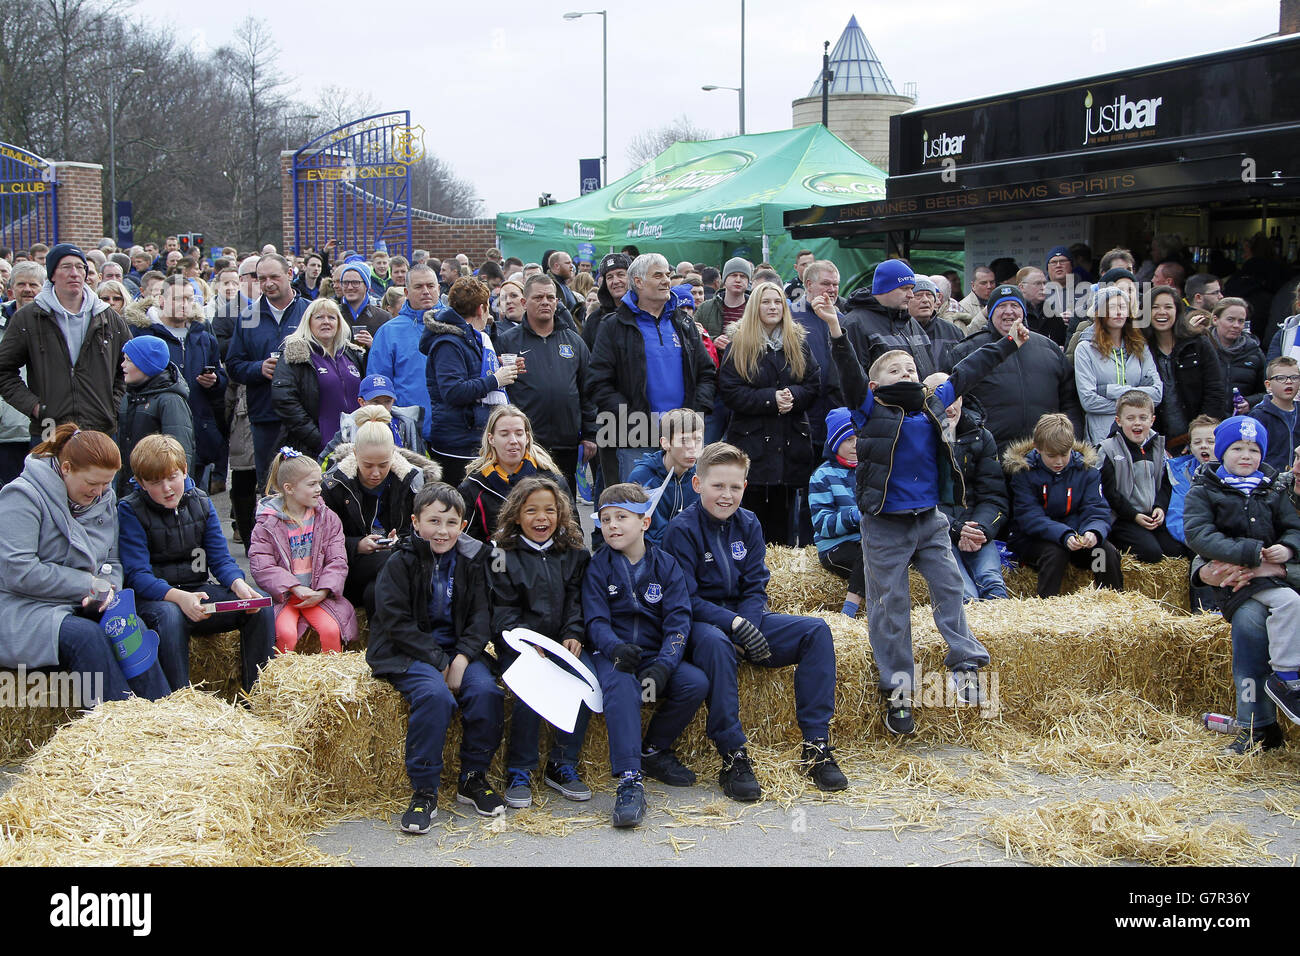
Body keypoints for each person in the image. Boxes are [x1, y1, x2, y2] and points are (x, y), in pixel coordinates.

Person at [818, 286, 1029, 734]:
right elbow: (849, 372)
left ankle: (966, 663)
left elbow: (970, 369)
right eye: (896, 368)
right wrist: (835, 326)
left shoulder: (932, 405)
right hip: (885, 525)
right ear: (877, 384)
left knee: (951, 588)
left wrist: (1008, 343)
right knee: (889, 605)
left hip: (930, 520)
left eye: (911, 365)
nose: (907, 370)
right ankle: (899, 690)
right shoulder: (869, 408)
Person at [661, 442, 845, 797]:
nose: (726, 495)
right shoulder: (680, 531)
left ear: (745, 487)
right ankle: (733, 754)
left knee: (816, 631)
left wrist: (748, 625)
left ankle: (816, 746)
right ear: (698, 485)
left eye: (734, 487)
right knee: (716, 645)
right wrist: (733, 626)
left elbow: (756, 586)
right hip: (701, 626)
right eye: (717, 486)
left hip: (746, 620)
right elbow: (684, 600)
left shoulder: (748, 523)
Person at [368, 483, 507, 830]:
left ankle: (473, 777)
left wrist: (461, 658)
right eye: (433, 521)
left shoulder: (473, 561)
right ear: (415, 522)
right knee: (435, 696)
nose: (442, 531)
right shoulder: (400, 562)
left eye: (451, 522)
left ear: (463, 524)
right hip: (409, 651)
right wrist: (440, 661)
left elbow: (481, 617)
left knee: (487, 692)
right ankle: (424, 790)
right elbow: (395, 621)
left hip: (458, 650)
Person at [0, 425, 169, 703]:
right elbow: (18, 571)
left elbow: (112, 559)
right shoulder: (21, 496)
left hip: (83, 600)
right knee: (87, 636)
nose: (101, 492)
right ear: (66, 468)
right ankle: (117, 727)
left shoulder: (103, 497)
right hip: (27, 608)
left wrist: (109, 588)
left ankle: (165, 717)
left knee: (129, 626)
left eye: (107, 483)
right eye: (93, 483)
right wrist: (87, 584)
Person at [582, 483, 710, 827]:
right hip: (615, 656)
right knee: (622, 689)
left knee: (694, 682)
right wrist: (614, 648)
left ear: (645, 522)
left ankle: (653, 749)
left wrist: (665, 666)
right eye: (605, 519)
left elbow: (679, 619)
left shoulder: (666, 565)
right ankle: (629, 780)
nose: (612, 526)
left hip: (654, 655)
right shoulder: (597, 567)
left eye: (621, 517)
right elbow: (595, 620)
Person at [118, 435, 274, 692]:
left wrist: (237, 584)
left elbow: (220, 559)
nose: (168, 488)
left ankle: (256, 695)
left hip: (197, 590)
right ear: (142, 483)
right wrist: (178, 597)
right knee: (170, 616)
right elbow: (137, 575)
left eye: (173, 477)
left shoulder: (201, 501)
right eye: (156, 482)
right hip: (156, 598)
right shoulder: (130, 510)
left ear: (185, 471)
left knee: (260, 604)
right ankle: (179, 700)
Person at [1184, 416, 1300, 727]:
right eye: (1237, 448)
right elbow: (1198, 535)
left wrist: (1282, 560)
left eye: (1253, 450)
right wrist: (1208, 570)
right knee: (1249, 622)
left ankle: (1286, 678)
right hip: (1249, 583)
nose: (1246, 456)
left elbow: (1291, 531)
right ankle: (1257, 725)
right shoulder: (1274, 486)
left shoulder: (1269, 486)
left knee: (1289, 606)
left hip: (1275, 579)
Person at [489, 476, 594, 809]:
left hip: (563, 643)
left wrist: (574, 632)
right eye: (532, 510)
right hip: (521, 646)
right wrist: (523, 642)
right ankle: (520, 769)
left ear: (560, 513)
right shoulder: (502, 555)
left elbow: (578, 600)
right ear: (517, 515)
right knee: (529, 689)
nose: (541, 518)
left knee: (585, 681)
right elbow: (501, 609)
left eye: (549, 510)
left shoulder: (574, 552)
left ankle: (563, 763)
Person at [587, 253, 717, 483]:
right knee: (636, 511)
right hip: (634, 438)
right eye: (658, 275)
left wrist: (693, 414)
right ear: (638, 282)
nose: (666, 280)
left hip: (683, 436)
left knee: (682, 512)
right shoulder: (613, 326)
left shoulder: (684, 324)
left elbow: (706, 374)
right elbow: (598, 382)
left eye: (667, 274)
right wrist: (636, 419)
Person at [717, 281, 821, 545]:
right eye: (766, 302)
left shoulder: (798, 343)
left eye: (778, 301)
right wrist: (770, 399)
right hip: (752, 444)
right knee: (749, 522)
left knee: (783, 527)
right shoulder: (738, 344)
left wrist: (793, 398)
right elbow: (730, 391)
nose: (773, 307)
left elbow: (812, 383)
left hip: (789, 444)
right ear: (755, 307)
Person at [0, 244, 131, 442]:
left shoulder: (108, 317)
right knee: (48, 474)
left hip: (100, 429)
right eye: (66, 267)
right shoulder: (29, 318)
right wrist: (36, 407)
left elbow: (129, 365)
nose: (74, 273)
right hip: (49, 430)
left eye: (80, 267)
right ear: (52, 274)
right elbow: (4, 370)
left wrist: (111, 404)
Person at [321, 407, 440, 620]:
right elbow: (324, 541)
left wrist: (399, 540)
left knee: (376, 591)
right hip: (349, 568)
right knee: (390, 562)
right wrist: (357, 545)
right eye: (367, 465)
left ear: (393, 456)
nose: (375, 473)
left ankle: (384, 646)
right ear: (355, 454)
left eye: (383, 465)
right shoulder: (334, 485)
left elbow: (422, 533)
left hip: (393, 567)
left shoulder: (410, 481)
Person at [943, 284, 1083, 454]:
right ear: (991, 312)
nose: (1008, 311)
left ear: (1023, 311)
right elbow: (953, 403)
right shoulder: (967, 351)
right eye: (1001, 306)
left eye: (1014, 306)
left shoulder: (1049, 348)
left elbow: (1070, 400)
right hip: (990, 455)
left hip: (1044, 455)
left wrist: (1071, 439)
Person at [496, 274, 597, 498]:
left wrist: (590, 434)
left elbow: (588, 391)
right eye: (538, 297)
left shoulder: (573, 341)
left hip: (567, 443)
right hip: (527, 444)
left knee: (565, 505)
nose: (545, 302)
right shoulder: (507, 341)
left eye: (551, 297)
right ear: (524, 302)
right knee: (526, 503)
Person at [249, 448, 358, 654]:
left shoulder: (328, 519)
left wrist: (323, 591)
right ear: (289, 488)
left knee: (331, 630)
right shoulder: (267, 524)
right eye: (312, 484)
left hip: (319, 594)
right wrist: (295, 588)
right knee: (285, 633)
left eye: (319, 482)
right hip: (286, 597)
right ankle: (283, 681)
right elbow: (262, 566)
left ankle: (333, 681)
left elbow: (337, 560)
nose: (319, 489)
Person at [1004, 413, 1124, 597]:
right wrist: (1063, 534)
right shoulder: (1024, 472)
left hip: (1076, 537)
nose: (1059, 461)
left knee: (1103, 552)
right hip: (1034, 540)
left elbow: (1097, 509)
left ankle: (1110, 601)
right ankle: (1048, 605)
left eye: (1064, 454)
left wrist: (1093, 531)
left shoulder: (1086, 470)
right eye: (1051, 456)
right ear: (1038, 448)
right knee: (1055, 553)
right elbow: (1030, 517)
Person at [128, 276, 227, 489]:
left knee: (194, 500)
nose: (184, 304)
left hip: (198, 428)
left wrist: (215, 381)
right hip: (156, 429)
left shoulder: (202, 334)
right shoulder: (142, 332)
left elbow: (220, 376)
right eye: (177, 298)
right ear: (161, 300)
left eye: (189, 299)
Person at [225, 253, 308, 490]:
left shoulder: (310, 311)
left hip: (305, 414)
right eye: (262, 279)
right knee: (271, 486)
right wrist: (258, 368)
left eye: (274, 276)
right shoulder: (248, 317)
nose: (268, 283)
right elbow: (233, 364)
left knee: (307, 483)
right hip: (266, 414)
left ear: (290, 275)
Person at [422, 277, 513, 487]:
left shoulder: (471, 337)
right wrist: (495, 379)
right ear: (481, 309)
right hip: (456, 442)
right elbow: (453, 391)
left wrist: (498, 369)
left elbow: (471, 374)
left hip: (473, 436)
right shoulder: (448, 342)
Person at [933, 385, 1011, 601]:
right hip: (938, 531)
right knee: (965, 594)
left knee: (992, 582)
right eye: (941, 398)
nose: (949, 407)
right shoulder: (916, 439)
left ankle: (1000, 634)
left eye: (954, 398)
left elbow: (994, 496)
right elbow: (919, 503)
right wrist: (957, 529)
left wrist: (982, 528)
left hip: (975, 527)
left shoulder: (981, 436)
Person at [271, 298, 367, 457]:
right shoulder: (296, 355)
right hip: (314, 447)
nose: (326, 322)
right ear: (308, 322)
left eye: (331, 317)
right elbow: (284, 401)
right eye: (319, 317)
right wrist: (315, 437)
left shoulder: (352, 354)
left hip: (355, 445)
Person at [456, 404, 566, 542]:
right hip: (496, 561)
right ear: (491, 439)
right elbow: (466, 543)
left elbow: (572, 535)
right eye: (504, 434)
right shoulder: (472, 487)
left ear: (527, 437)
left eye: (519, 434)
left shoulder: (553, 480)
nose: (513, 441)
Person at [1098, 390, 1185, 563]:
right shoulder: (1108, 449)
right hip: (1124, 518)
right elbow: (1109, 492)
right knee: (1151, 554)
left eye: (1143, 418)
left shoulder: (1159, 447)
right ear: (1119, 421)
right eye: (1130, 418)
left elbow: (1166, 483)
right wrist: (1134, 515)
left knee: (1176, 551)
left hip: (1152, 516)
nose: (1137, 423)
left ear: (1152, 420)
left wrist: (1160, 507)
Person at [1144, 286, 1229, 454]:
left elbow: (1215, 392)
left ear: (1177, 311)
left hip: (1197, 441)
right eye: (1155, 307)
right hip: (1157, 441)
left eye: (1168, 307)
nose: (1162, 312)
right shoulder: (1141, 348)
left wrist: (1198, 439)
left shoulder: (1198, 344)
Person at [1074, 286, 1162, 445]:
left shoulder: (1140, 346)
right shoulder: (1085, 348)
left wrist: (1108, 390)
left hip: (1139, 433)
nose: (1119, 312)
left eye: (1122, 307)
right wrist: (1138, 401)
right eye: (1111, 308)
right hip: (1103, 434)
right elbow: (1088, 401)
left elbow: (1156, 394)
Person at [368, 264, 441, 441]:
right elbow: (378, 388)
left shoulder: (458, 325)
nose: (426, 291)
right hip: (408, 432)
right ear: (407, 293)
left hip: (453, 431)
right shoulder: (389, 332)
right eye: (418, 287)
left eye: (430, 286)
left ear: (438, 288)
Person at [840, 259, 936, 382]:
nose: (911, 294)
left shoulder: (909, 321)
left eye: (912, 288)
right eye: (904, 288)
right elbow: (850, 380)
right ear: (884, 289)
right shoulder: (854, 324)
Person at [808, 407, 863, 617]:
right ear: (835, 442)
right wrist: (855, 516)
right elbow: (822, 524)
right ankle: (848, 613)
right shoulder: (822, 476)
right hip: (836, 546)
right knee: (871, 557)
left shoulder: (871, 470)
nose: (856, 443)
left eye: (859, 436)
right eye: (848, 439)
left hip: (868, 539)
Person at [626, 408, 704, 547]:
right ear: (665, 443)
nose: (693, 447)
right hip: (653, 553)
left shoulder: (701, 476)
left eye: (698, 440)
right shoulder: (642, 476)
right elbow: (636, 529)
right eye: (684, 440)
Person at [318, 373, 423, 465]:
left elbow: (423, 462)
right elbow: (325, 461)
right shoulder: (348, 429)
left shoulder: (405, 425)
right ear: (362, 402)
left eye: (387, 401)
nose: (382, 407)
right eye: (376, 401)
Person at [1209, 297, 1266, 410]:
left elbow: (1267, 391)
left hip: (1240, 420)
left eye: (1241, 321)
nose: (1236, 325)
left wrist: (1249, 402)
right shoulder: (1201, 348)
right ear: (1215, 320)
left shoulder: (1254, 352)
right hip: (1205, 421)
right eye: (1230, 319)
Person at [1249, 357, 1300, 471]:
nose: (1289, 381)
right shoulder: (1259, 415)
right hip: (1269, 479)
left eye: (1294, 377)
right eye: (1280, 378)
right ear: (1268, 385)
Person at [908, 276, 965, 368]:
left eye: (929, 295)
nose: (925, 300)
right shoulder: (898, 331)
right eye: (918, 295)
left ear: (936, 301)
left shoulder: (953, 332)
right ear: (907, 300)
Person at [580, 253, 630, 352]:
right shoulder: (595, 319)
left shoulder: (642, 314)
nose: (615, 281)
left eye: (620, 275)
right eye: (610, 277)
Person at [694, 257, 751, 343]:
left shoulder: (755, 308)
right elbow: (693, 335)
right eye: (734, 275)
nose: (738, 280)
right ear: (724, 279)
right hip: (714, 356)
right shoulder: (705, 308)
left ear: (748, 281)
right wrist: (713, 340)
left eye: (743, 276)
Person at [337, 259, 391, 337]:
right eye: (345, 283)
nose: (349, 287)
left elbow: (389, 348)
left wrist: (373, 345)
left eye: (355, 283)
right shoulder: (333, 315)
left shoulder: (383, 318)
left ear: (366, 285)